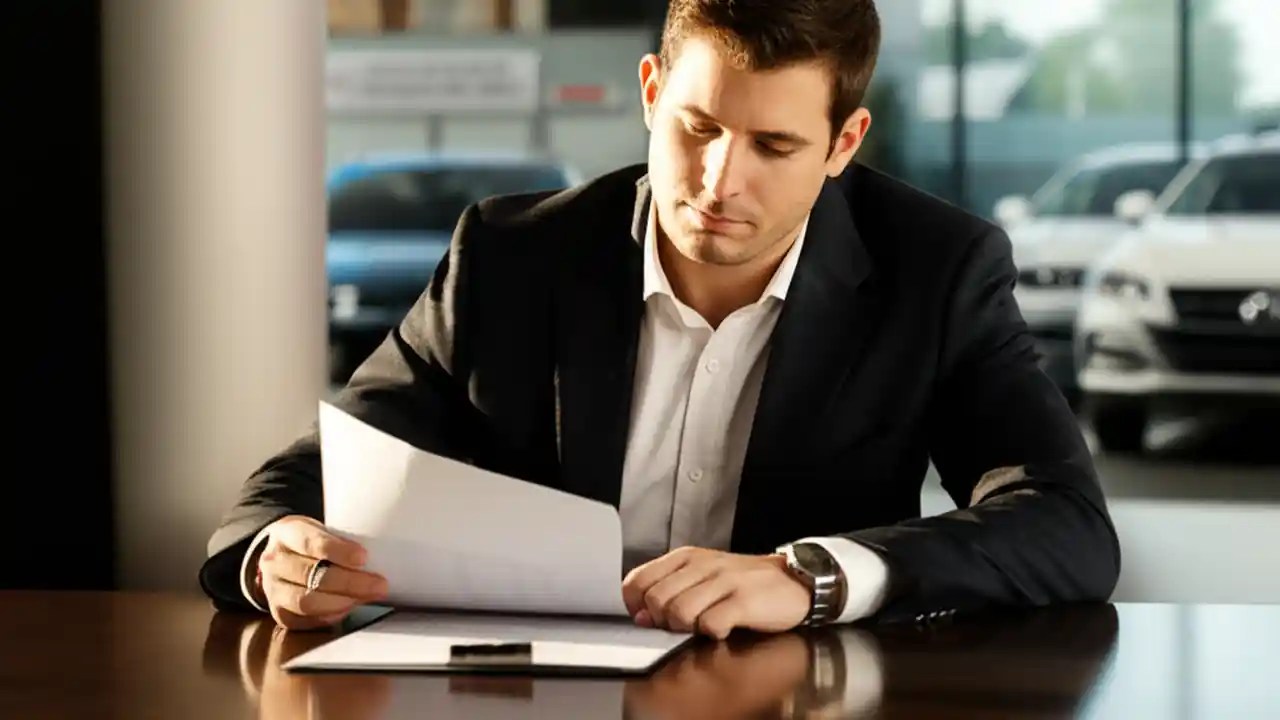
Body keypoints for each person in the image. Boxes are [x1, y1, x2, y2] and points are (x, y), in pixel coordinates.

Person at [200, 0, 1120, 638]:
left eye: (774, 145)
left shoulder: (938, 271)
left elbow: (1065, 524)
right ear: (649, 91)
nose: (722, 182)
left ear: (843, 144)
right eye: (698, 127)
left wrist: (809, 577)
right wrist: (273, 555)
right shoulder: (511, 255)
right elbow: (312, 475)